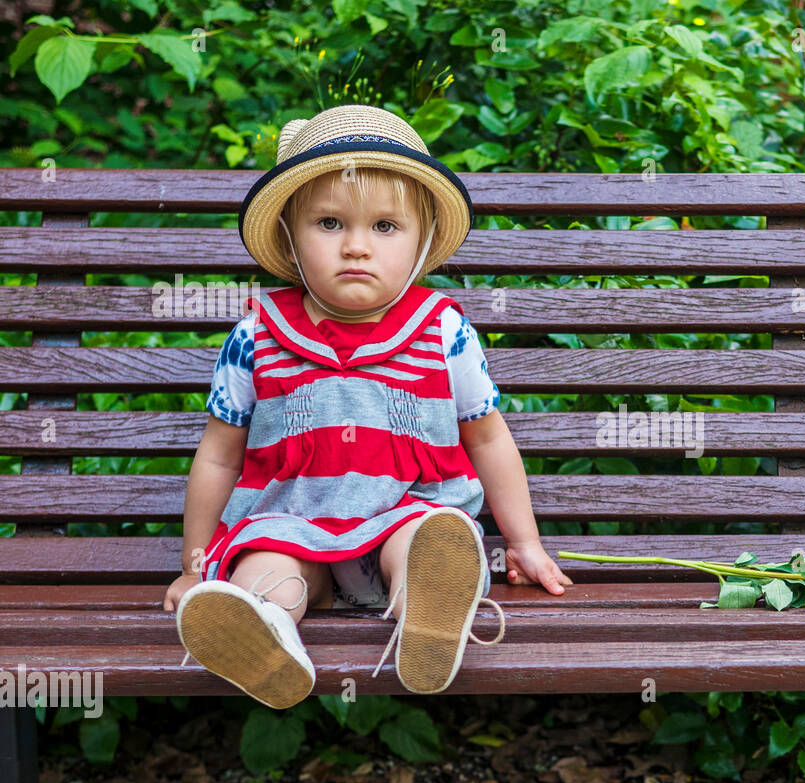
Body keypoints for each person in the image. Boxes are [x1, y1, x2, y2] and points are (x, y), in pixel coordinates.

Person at [162, 104, 572, 708]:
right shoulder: (258, 335)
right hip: (293, 526)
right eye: (330, 223)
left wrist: (526, 542)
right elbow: (219, 458)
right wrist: (197, 565)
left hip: (406, 517)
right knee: (269, 571)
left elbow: (487, 439)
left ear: (421, 239)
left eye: (385, 227)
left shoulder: (443, 332)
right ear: (291, 238)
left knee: (435, 539)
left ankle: (426, 613)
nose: (356, 247)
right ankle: (267, 635)